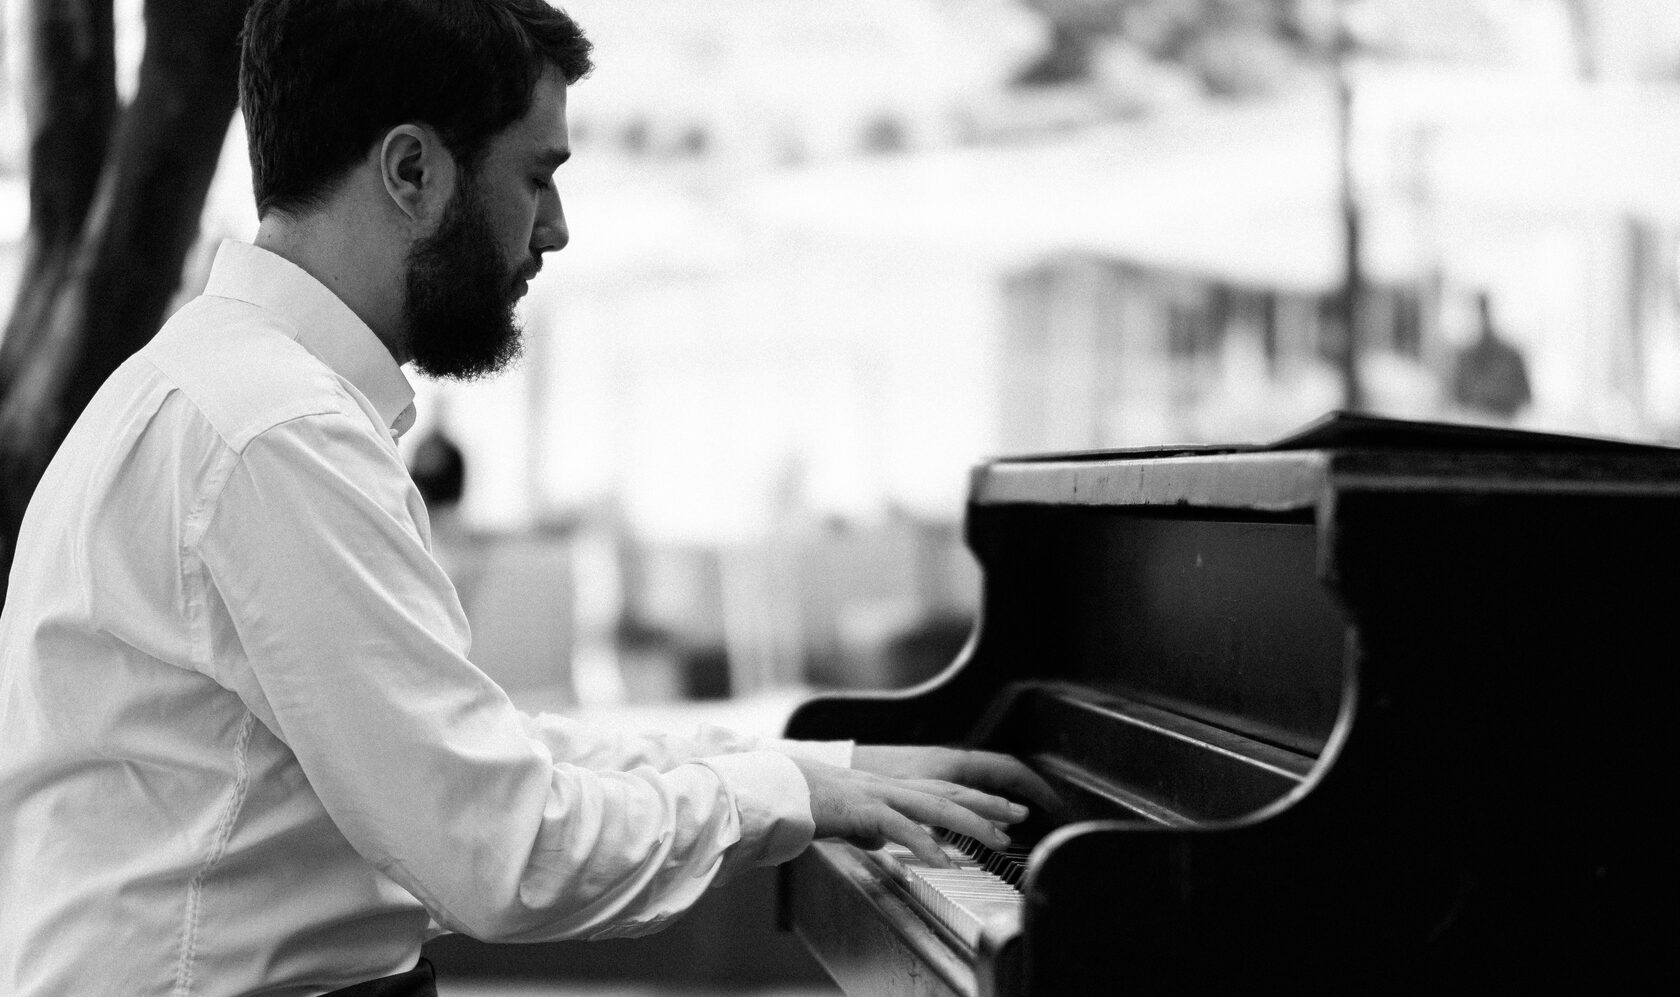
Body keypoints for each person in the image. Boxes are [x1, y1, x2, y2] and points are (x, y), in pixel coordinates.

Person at [0, 3, 1053, 995]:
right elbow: (497, 849)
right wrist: (788, 797)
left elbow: (472, 753)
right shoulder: (275, 431)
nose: (554, 230)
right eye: (536, 176)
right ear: (411, 169)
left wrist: (811, 770)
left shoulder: (223, 390)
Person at [1449, 291, 1533, 421]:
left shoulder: (1512, 356)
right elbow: (1456, 398)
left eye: (1484, 311)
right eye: (1477, 312)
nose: (1482, 319)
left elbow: (1526, 398)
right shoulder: (1464, 358)